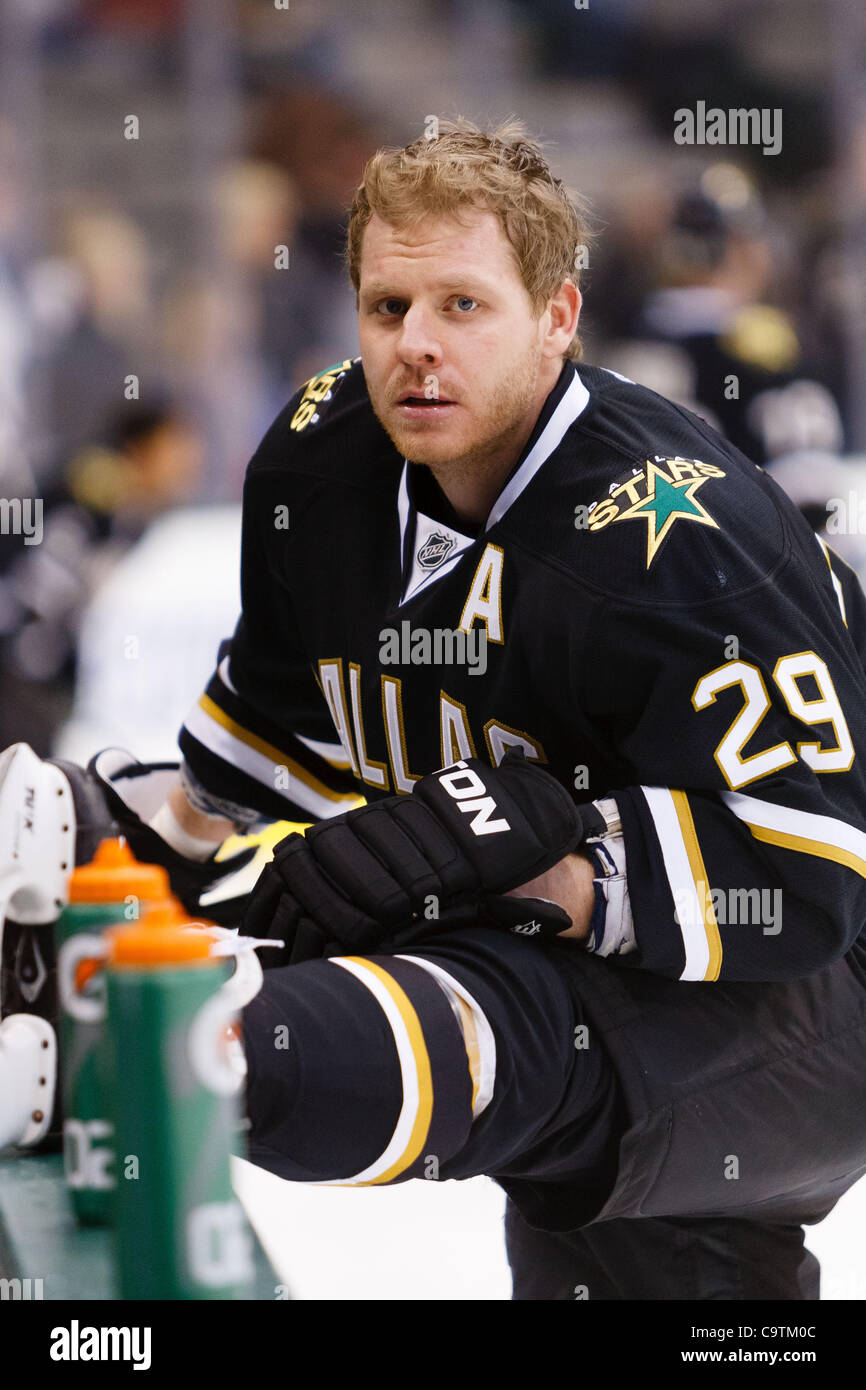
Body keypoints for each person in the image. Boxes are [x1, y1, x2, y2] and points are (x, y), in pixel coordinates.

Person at [93, 120, 866, 1300]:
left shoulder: (680, 542)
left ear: (556, 317)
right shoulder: (319, 459)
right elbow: (270, 733)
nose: (415, 347)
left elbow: (808, 873)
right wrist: (127, 844)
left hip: (820, 979)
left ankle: (198, 1054)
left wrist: (539, 870)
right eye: (388, 306)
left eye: (462, 306)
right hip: (633, 1025)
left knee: (421, 1014)